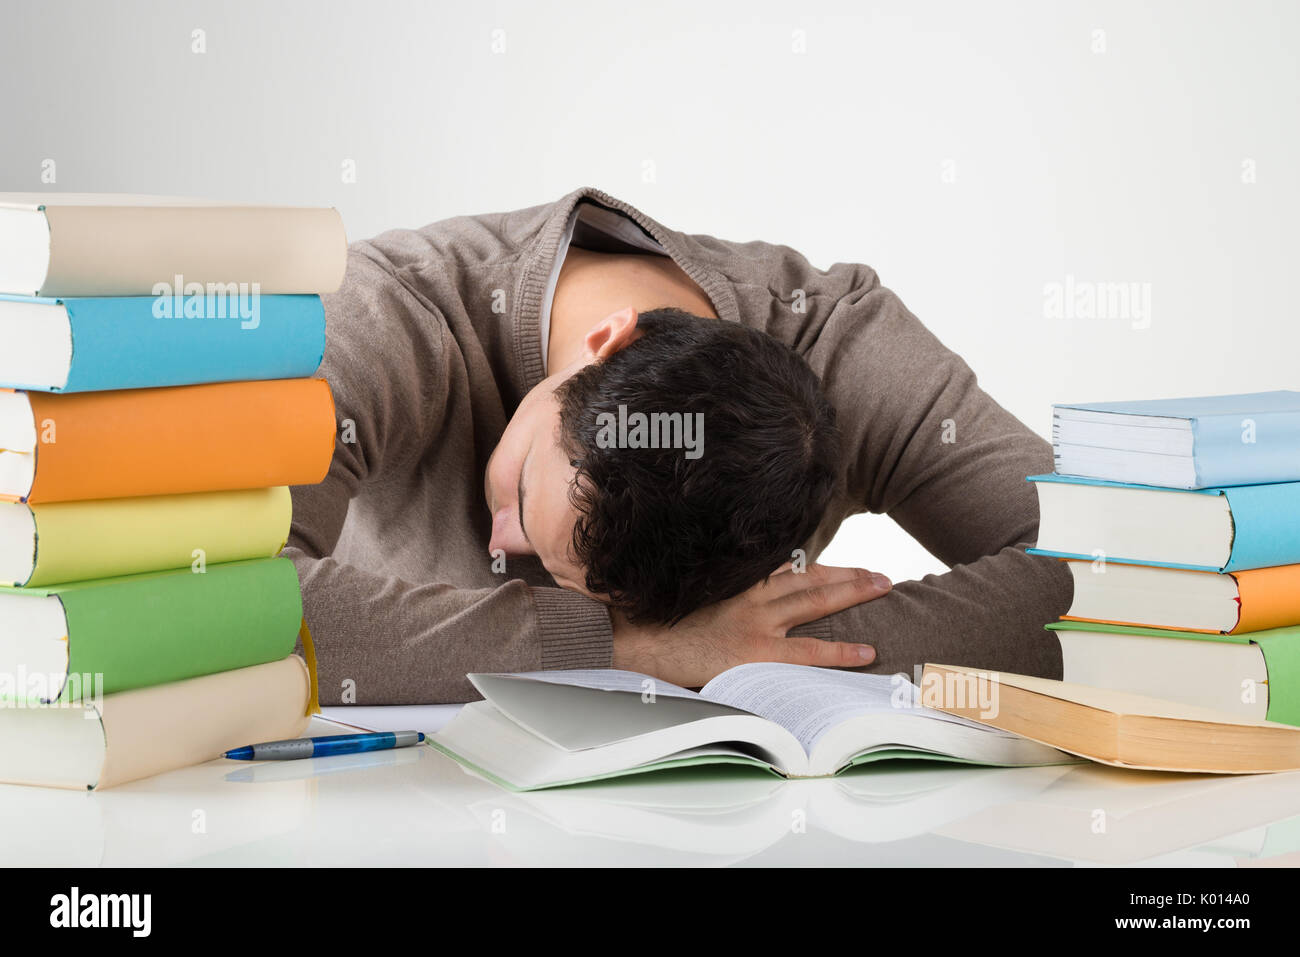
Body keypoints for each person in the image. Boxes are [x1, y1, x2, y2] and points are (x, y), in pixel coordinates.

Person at [288, 187, 1072, 704]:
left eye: (602, 597)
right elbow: (219, 603)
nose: (501, 543)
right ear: (606, 341)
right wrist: (615, 646)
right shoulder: (380, 319)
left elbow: (1114, 571)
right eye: (527, 491)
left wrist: (750, 651)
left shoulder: (846, 348)